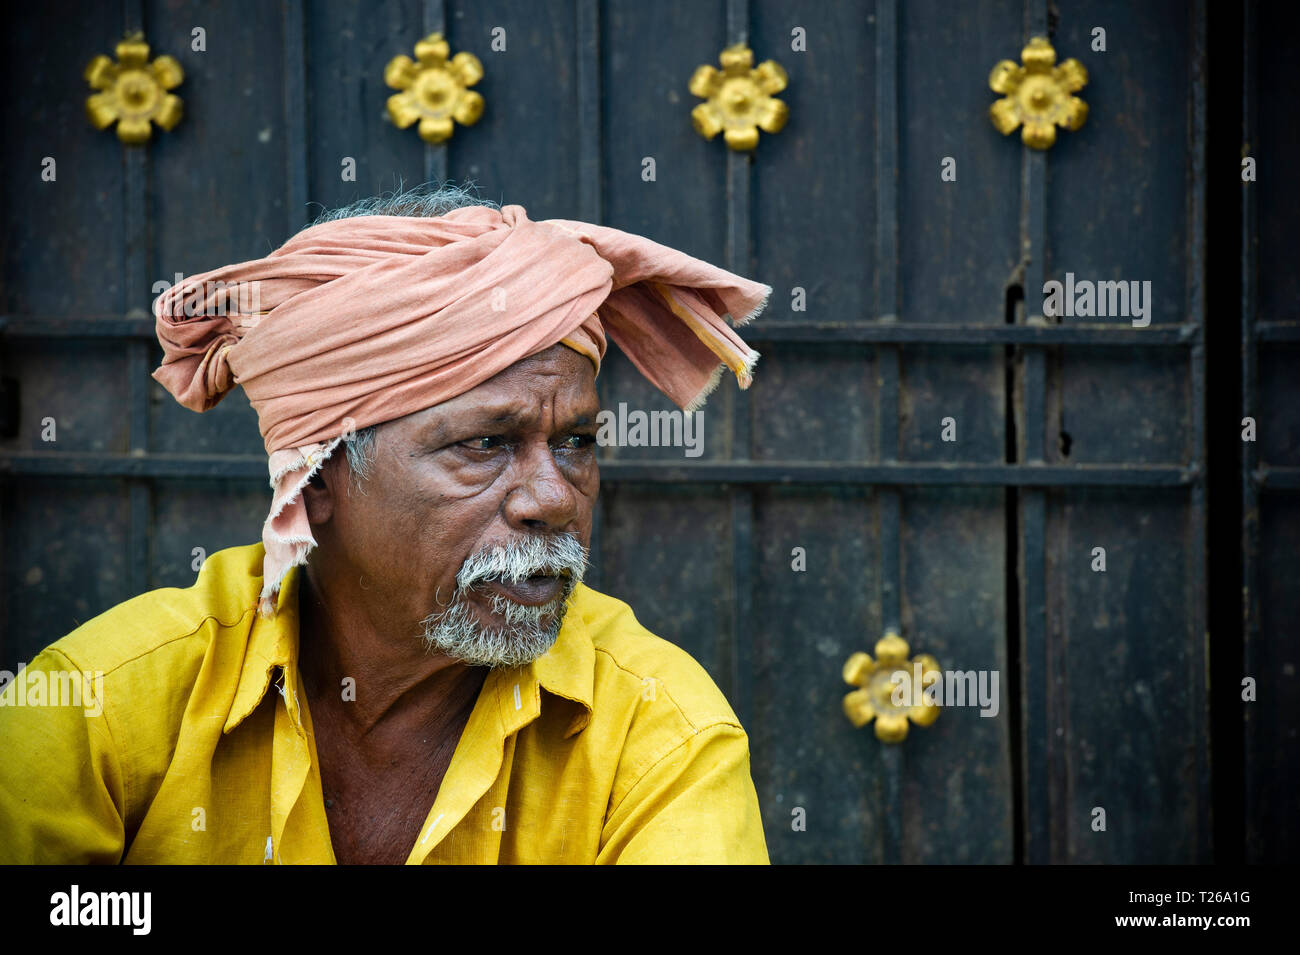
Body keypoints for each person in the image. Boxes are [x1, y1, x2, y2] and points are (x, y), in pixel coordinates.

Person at [0, 184, 772, 864]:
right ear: (319, 476)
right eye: (484, 444)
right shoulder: (101, 703)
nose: (554, 497)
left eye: (575, 442)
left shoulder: (659, 730)